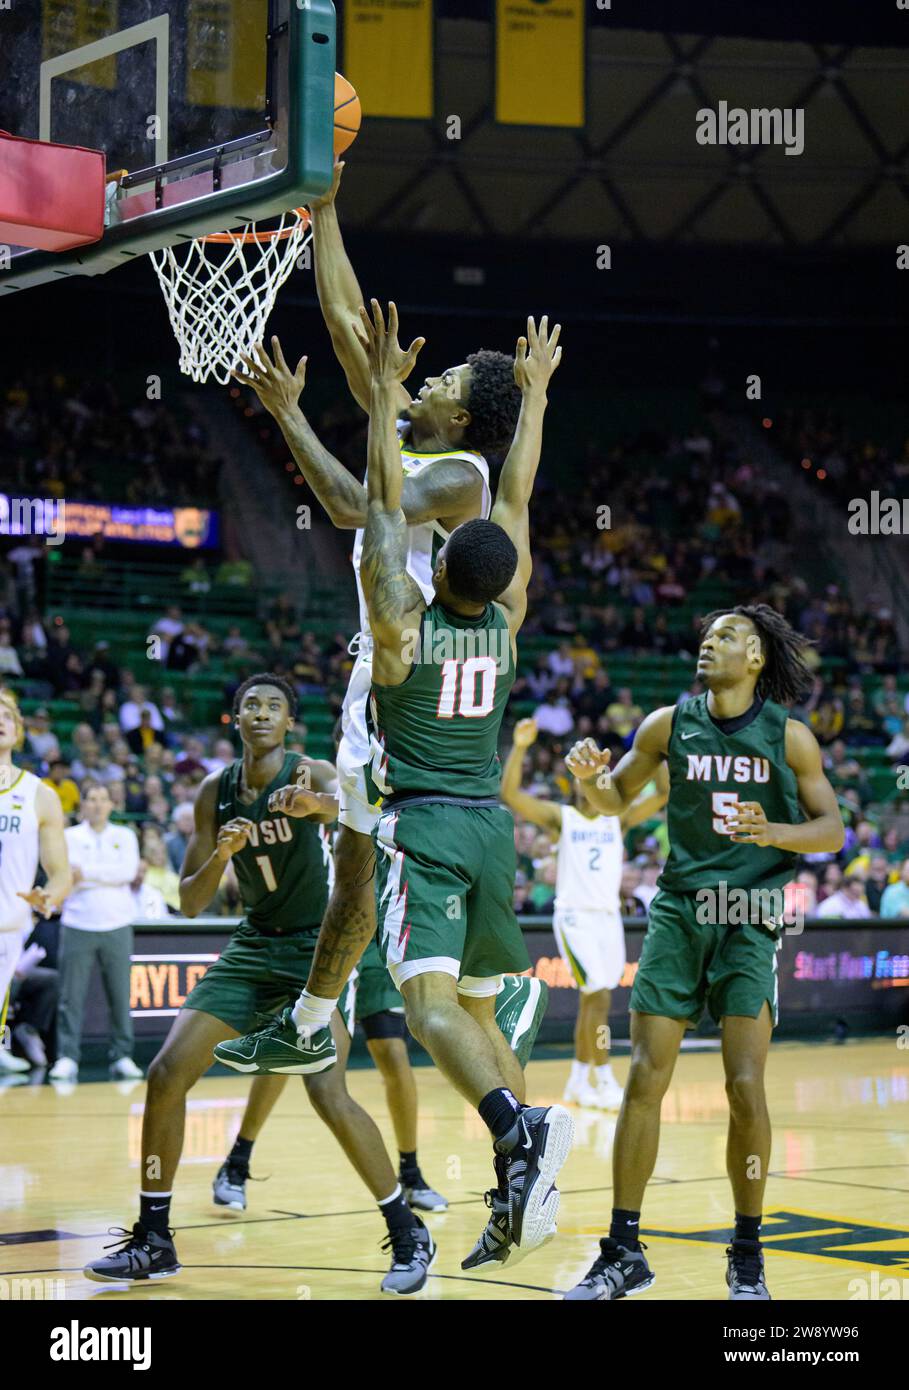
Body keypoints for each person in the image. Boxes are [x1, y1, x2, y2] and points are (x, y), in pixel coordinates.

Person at [221, 307, 570, 1273]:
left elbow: (376, 512)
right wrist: (532, 400)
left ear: (439, 568)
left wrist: (364, 400)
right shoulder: (508, 618)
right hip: (489, 828)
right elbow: (521, 496)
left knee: (421, 1008)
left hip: (423, 824)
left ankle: (515, 1125)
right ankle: (513, 1172)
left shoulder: (400, 640)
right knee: (467, 999)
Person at [227, 159, 523, 1055]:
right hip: (384, 665)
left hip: (413, 678)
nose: (427, 382)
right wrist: (324, 211)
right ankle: (318, 1022)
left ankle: (474, 997)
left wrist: (287, 412)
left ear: (464, 422)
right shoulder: (410, 437)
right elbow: (350, 326)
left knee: (369, 857)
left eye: (445, 387)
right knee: (356, 862)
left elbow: (359, 505)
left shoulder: (460, 476)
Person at [84, 674, 435, 1295]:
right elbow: (190, 903)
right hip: (253, 944)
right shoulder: (212, 792)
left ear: (289, 722)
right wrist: (220, 857)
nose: (262, 712)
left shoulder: (314, 771)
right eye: (251, 703)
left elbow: (376, 810)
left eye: (274, 705)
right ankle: (154, 1239)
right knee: (165, 1073)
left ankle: (406, 1231)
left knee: (327, 1094)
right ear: (236, 718)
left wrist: (319, 808)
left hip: (317, 950)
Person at [563, 604, 845, 1301]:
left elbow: (831, 829)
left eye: (727, 637)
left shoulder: (790, 738)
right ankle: (621, 1251)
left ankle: (746, 1255)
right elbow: (607, 800)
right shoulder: (666, 725)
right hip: (678, 914)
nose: (709, 643)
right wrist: (585, 777)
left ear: (754, 659)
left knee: (743, 1089)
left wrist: (774, 832)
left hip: (749, 920)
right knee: (642, 1078)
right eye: (706, 635)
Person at [501, 717, 667, 1110]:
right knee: (598, 996)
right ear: (576, 776)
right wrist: (521, 746)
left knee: (595, 1002)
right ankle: (605, 1077)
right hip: (574, 916)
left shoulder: (618, 817)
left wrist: (655, 750)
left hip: (608, 917)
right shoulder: (562, 818)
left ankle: (578, 1080)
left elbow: (662, 795)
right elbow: (510, 793)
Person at [49, 782, 143, 1083]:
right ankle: (67, 1056)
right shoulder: (68, 837)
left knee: (120, 993)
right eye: (92, 799)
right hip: (78, 923)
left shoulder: (126, 835)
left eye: (103, 799)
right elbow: (66, 875)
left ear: (111, 805)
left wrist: (86, 873)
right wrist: (101, 874)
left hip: (117, 923)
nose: (98, 804)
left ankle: (122, 1055)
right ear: (83, 805)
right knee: (70, 996)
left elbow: (127, 872)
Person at [0, 687, 71, 1074]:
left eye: (7, 715)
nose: (0, 720)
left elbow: (59, 873)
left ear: (19, 729)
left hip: (8, 928)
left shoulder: (38, 795)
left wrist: (49, 895)